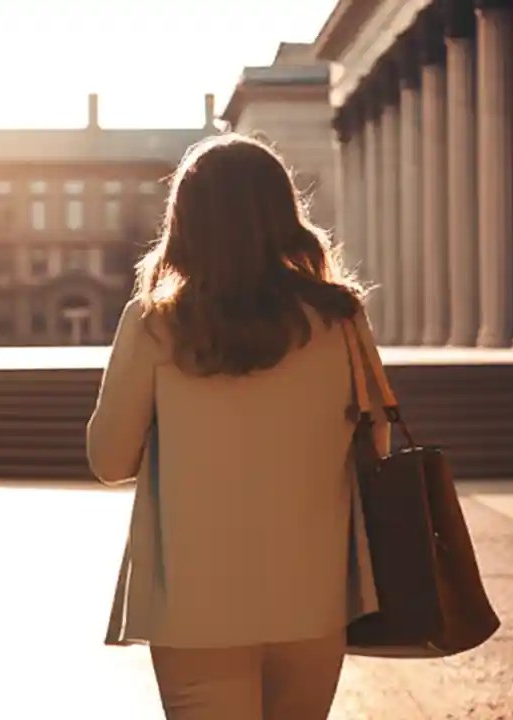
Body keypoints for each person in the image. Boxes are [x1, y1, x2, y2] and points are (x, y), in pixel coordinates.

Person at [86, 133, 389, 720]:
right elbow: (375, 445)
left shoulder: (155, 323)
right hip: (314, 594)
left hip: (196, 605)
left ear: (185, 219)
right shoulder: (341, 317)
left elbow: (109, 461)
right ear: (283, 213)